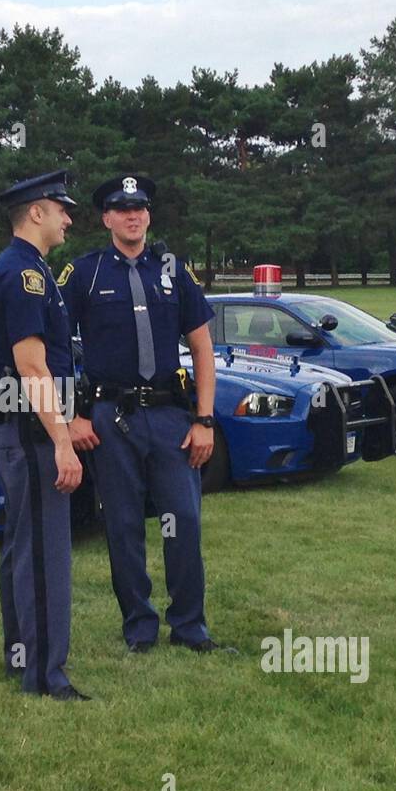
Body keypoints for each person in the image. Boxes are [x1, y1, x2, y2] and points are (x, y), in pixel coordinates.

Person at [61, 174, 235, 654]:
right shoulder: (85, 273)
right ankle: (139, 626)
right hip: (110, 419)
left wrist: (204, 421)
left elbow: (201, 348)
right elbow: (57, 347)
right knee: (122, 524)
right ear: (107, 218)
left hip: (168, 417)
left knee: (183, 518)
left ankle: (189, 626)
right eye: (122, 207)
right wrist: (72, 415)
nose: (133, 215)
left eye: (140, 207)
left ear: (149, 214)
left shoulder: (174, 270)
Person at [0, 170, 90, 700]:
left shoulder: (26, 269)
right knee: (44, 552)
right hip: (31, 428)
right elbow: (32, 367)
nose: (69, 219)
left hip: (20, 423)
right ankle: (45, 676)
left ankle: (20, 653)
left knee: (22, 545)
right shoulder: (25, 274)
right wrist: (63, 440)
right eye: (62, 209)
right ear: (37, 212)